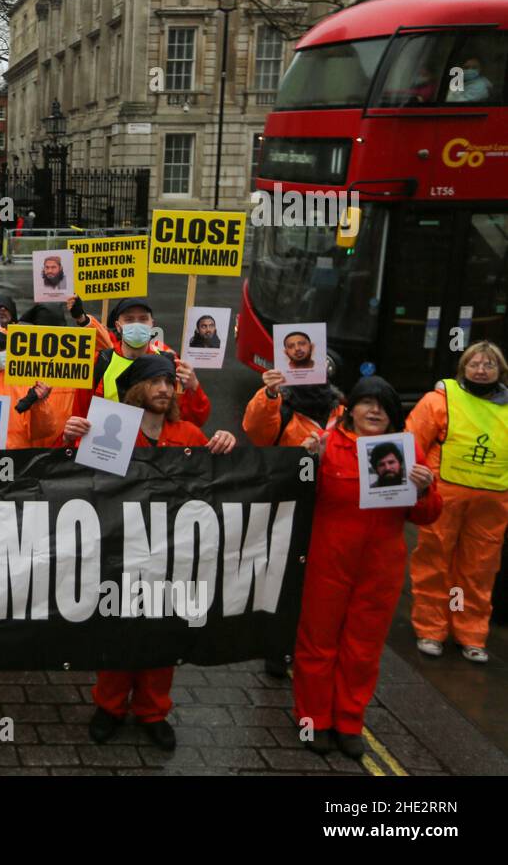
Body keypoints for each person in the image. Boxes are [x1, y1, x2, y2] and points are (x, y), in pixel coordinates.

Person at [63, 355, 237, 752]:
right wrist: (70, 438)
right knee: (120, 629)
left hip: (171, 556)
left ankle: (152, 712)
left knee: (162, 632)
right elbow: (75, 480)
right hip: (121, 550)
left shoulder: (190, 433)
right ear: (136, 390)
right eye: (155, 382)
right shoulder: (111, 432)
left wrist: (228, 446)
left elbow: (220, 481)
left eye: (168, 383)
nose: (164, 389)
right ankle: (109, 707)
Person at [294, 376, 440, 760]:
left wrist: (425, 489)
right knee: (318, 644)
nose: (374, 411)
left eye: (383, 406)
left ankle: (348, 722)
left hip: (381, 566)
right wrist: (306, 461)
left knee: (363, 648)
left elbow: (425, 515)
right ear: (351, 408)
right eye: (366, 403)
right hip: (328, 559)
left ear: (393, 415)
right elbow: (297, 496)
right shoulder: (327, 445)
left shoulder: (408, 452)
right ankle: (313, 720)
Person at [242, 354, 345, 677]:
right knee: (284, 583)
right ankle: (278, 649)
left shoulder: (342, 410)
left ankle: (313, 649)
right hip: (287, 511)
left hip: (329, 510)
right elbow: (256, 431)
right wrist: (269, 395)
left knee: (320, 586)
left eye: (322, 365)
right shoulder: (282, 404)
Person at [406, 341, 508, 664]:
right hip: (444, 498)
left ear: (500, 371)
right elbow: (413, 442)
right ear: (463, 368)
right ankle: (431, 629)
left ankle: (471, 633)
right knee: (435, 562)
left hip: (492, 506)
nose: (481, 370)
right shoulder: (439, 401)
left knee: (478, 569)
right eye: (474, 364)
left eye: (488, 365)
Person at [59, 296, 210, 439]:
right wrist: (72, 436)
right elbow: (81, 415)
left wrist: (194, 387)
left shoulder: (170, 362)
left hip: (156, 454)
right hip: (109, 453)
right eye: (129, 320)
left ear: (152, 324)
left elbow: (191, 420)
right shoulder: (99, 362)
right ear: (118, 326)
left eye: (143, 319)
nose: (137, 324)